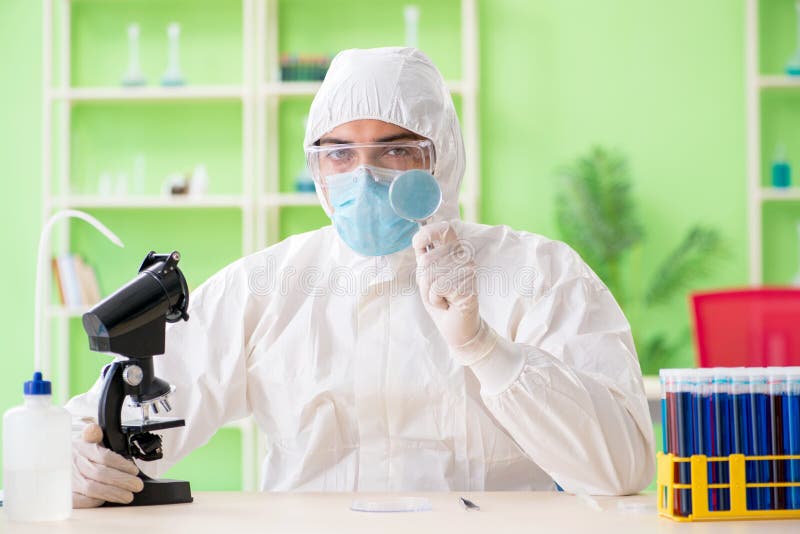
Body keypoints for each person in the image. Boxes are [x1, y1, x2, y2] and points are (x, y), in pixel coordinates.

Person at [66, 47, 654, 507]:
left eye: (395, 151)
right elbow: (121, 418)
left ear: (440, 157)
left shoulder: (537, 274)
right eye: (340, 153)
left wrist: (484, 349)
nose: (364, 175)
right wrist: (78, 455)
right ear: (317, 168)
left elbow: (622, 469)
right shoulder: (269, 284)